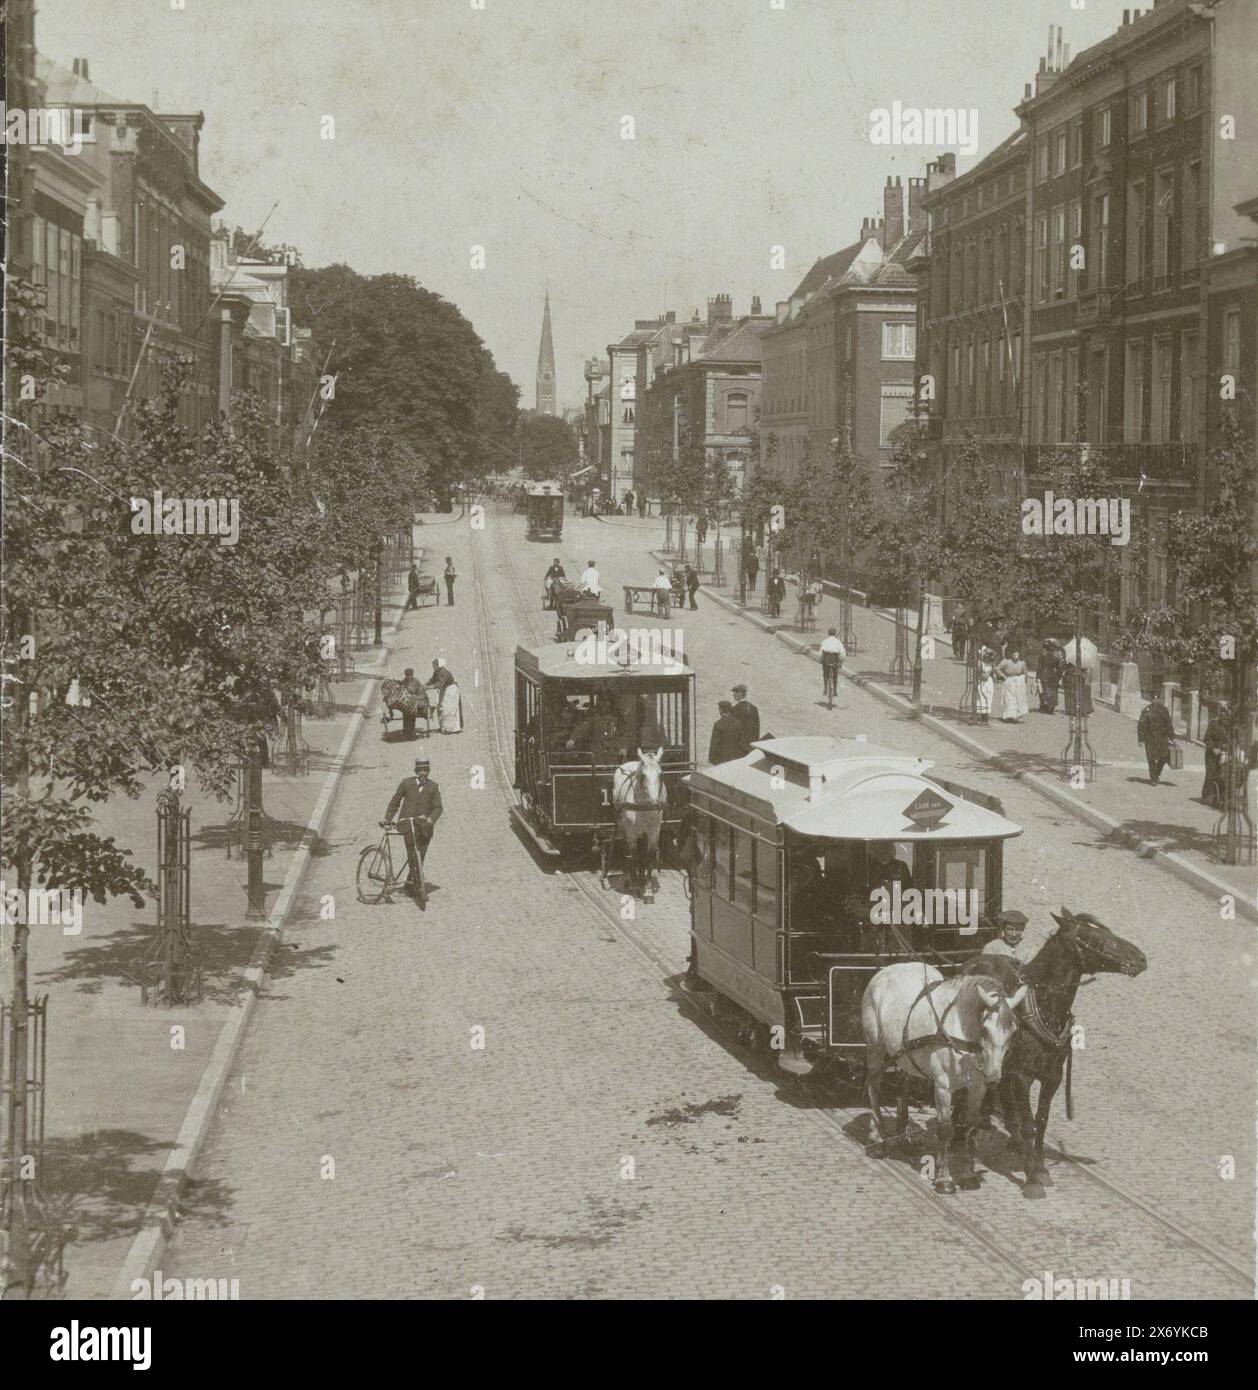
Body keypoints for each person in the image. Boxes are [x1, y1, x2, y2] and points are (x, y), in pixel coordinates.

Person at [384, 756, 443, 899]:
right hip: (407, 826)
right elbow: (395, 801)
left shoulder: (433, 787)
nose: (423, 773)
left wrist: (430, 819)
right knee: (413, 856)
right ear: (416, 770)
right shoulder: (406, 783)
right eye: (420, 770)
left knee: (419, 857)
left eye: (426, 770)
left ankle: (410, 883)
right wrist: (387, 818)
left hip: (424, 828)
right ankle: (418, 888)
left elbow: (438, 807)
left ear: (429, 771)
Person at [1137, 690, 1175, 785]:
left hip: (1162, 738)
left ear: (1159, 699)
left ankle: (1157, 772)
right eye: (1154, 699)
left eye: (1157, 698)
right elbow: (1141, 725)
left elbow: (1169, 724)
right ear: (1151, 700)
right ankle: (1153, 778)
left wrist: (1172, 737)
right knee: (1151, 758)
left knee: (1164, 756)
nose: (1155, 701)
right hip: (1150, 738)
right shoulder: (1146, 711)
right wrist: (1141, 739)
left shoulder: (1164, 710)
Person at [427, 658, 463, 735]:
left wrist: (428, 688)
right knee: (440, 707)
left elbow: (440, 684)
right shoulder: (437, 671)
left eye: (434, 665)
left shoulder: (443, 672)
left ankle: (450, 728)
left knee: (448, 708)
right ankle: (444, 726)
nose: (433, 666)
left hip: (450, 690)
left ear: (438, 665)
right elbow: (432, 680)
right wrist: (425, 685)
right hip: (444, 689)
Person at [1202, 709, 1229, 808]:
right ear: (1219, 716)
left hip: (1223, 754)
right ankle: (1206, 796)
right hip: (1211, 754)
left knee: (1220, 775)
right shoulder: (1213, 723)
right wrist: (1213, 749)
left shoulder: (1229, 727)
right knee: (1210, 774)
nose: (1224, 718)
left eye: (1226, 717)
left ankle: (1218, 797)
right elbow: (1206, 739)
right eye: (1222, 716)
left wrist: (1227, 747)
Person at [996, 647, 1029, 723]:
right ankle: (1009, 715)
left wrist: (1024, 681)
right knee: (1009, 699)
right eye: (1014, 654)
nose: (1015, 656)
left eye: (1017, 654)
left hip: (1018, 682)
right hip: (1009, 681)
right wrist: (1003, 676)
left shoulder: (1022, 663)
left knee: (1018, 699)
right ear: (1011, 654)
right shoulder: (1006, 661)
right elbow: (997, 668)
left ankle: (1015, 716)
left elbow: (1025, 673)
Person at [1036, 638, 1064, 714]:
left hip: (1045, 674)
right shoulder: (1057, 656)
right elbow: (1060, 668)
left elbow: (1039, 667)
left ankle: (1044, 705)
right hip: (1053, 674)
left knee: (1043, 690)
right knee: (1053, 690)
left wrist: (1037, 677)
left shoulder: (1043, 656)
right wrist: (1060, 676)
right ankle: (1050, 706)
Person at [399, 667, 425, 738]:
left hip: (412, 700)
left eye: (409, 675)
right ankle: (407, 731)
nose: (409, 677)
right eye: (407, 675)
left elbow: (420, 690)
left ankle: (410, 731)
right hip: (407, 701)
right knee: (407, 716)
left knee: (410, 716)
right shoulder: (405, 681)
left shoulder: (415, 681)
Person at [820, 627, 846, 697]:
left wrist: (821, 660)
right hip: (835, 659)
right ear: (835, 634)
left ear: (828, 633)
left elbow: (821, 653)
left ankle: (825, 688)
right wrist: (841, 663)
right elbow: (843, 653)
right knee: (835, 675)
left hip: (827, 659)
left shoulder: (825, 641)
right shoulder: (838, 642)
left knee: (825, 674)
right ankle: (835, 690)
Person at [975, 646, 996, 724]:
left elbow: (993, 673)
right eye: (986, 656)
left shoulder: (992, 663)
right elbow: (979, 672)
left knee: (989, 696)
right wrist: (982, 674)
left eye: (989, 657)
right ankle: (982, 713)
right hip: (982, 680)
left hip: (989, 681)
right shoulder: (980, 663)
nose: (987, 658)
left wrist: (995, 681)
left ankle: (987, 712)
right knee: (981, 696)